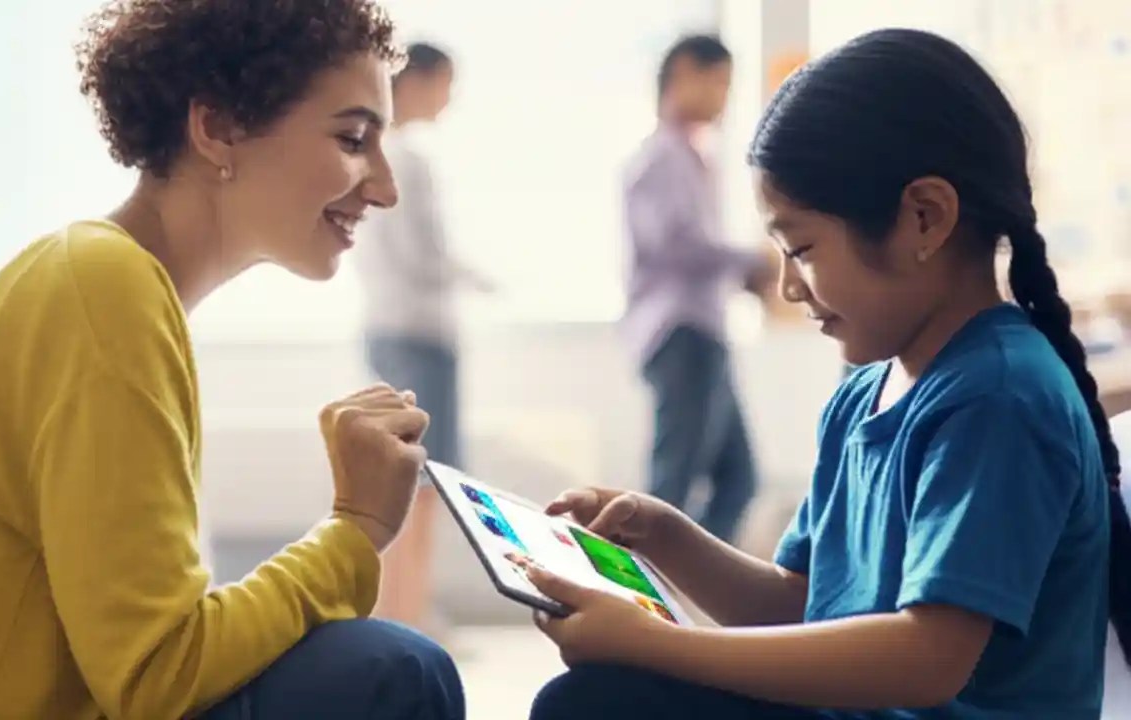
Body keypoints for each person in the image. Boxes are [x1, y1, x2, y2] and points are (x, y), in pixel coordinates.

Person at [0, 2, 465, 718]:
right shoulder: (102, 290)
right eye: (354, 138)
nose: (385, 186)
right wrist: (355, 529)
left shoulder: (100, 278)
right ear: (217, 128)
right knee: (393, 670)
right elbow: (155, 676)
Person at [524, 28, 1131, 719]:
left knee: (602, 701)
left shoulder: (999, 396)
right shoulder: (864, 395)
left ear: (924, 219)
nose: (787, 286)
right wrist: (666, 536)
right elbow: (801, 604)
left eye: (802, 249)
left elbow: (926, 658)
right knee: (599, 699)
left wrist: (655, 645)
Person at [354, 42, 493, 634]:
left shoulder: (383, 152)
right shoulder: (407, 157)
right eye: (446, 83)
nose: (450, 98)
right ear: (416, 82)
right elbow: (424, 256)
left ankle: (405, 609)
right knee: (424, 482)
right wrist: (476, 276)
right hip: (418, 334)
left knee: (411, 477)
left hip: (390, 327)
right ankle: (408, 614)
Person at [621, 35, 771, 544]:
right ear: (683, 73)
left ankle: (682, 587)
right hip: (681, 332)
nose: (725, 97)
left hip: (704, 330)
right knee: (671, 487)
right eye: (719, 81)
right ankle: (642, 602)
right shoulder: (663, 156)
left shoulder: (690, 155)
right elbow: (678, 242)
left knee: (739, 479)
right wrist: (756, 259)